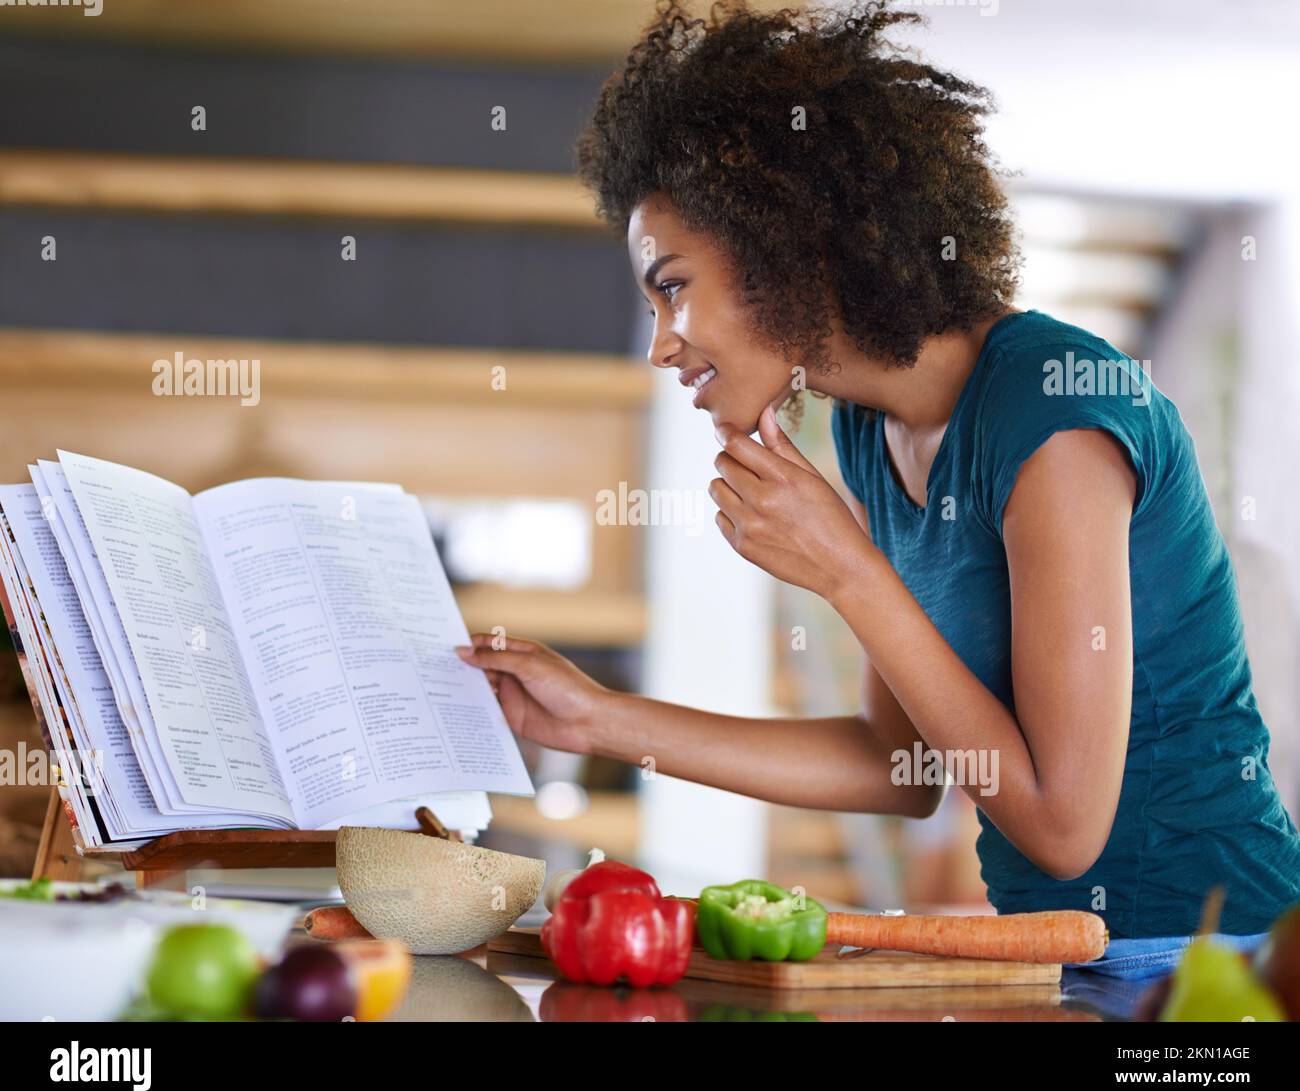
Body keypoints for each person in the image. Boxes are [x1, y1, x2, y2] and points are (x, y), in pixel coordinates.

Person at [456, 0, 1300, 939]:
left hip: (1214, 965)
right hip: (1057, 957)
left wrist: (846, 569)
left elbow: (1064, 825)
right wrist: (599, 720)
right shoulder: (870, 428)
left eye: (674, 289)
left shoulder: (1055, 415)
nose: (661, 346)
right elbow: (892, 767)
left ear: (788, 242)